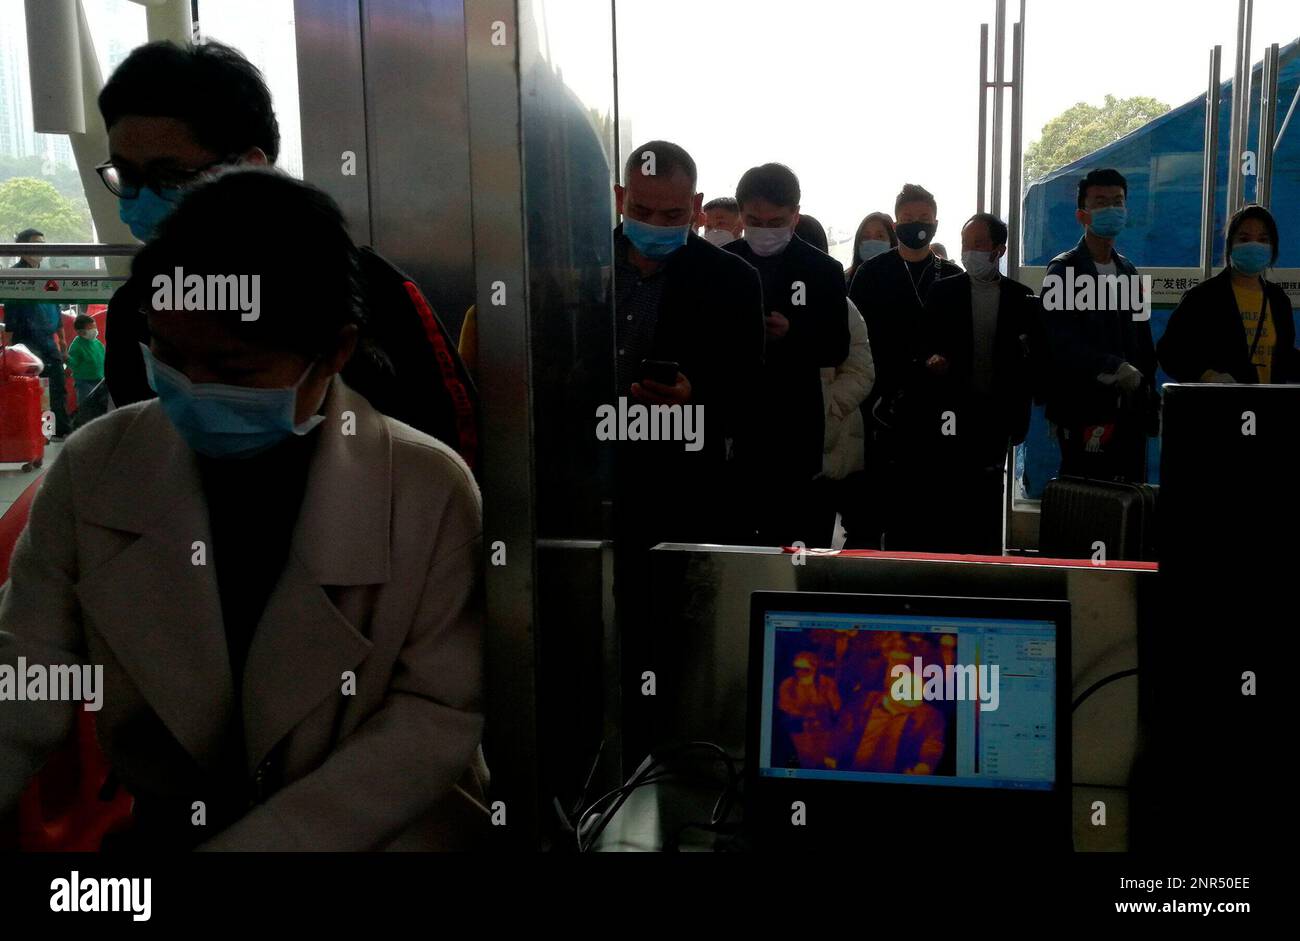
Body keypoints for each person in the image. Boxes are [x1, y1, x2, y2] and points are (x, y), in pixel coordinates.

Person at [0, 170, 489, 851]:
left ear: (334, 352)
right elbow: (27, 672)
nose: (193, 390)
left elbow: (434, 715)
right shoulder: (97, 469)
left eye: (234, 368)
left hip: (374, 838)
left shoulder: (425, 488)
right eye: (168, 357)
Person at [96, 40, 278, 408]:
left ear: (250, 172)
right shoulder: (132, 310)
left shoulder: (364, 299)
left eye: (172, 176)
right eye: (128, 176)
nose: (143, 199)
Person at [611, 140, 765, 547]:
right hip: (586, 478)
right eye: (642, 212)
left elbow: (748, 386)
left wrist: (695, 393)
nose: (657, 224)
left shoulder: (733, 279)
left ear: (695, 205)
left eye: (673, 214)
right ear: (620, 197)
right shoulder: (582, 261)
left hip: (684, 483)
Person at [724, 163, 850, 546]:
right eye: (754, 220)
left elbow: (837, 347)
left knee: (795, 544)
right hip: (734, 424)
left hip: (795, 428)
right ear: (740, 215)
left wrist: (792, 333)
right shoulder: (723, 264)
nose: (764, 231)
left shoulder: (823, 270)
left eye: (776, 221)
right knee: (735, 540)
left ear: (796, 214)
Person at [904, 212, 1042, 554]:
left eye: (979, 244)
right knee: (948, 492)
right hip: (950, 411)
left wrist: (1021, 414)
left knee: (988, 494)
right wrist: (930, 360)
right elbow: (921, 344)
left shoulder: (1022, 299)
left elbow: (1032, 362)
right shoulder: (943, 292)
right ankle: (947, 564)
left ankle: (985, 567)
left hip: (996, 414)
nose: (970, 251)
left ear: (999, 249)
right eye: (966, 244)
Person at [848, 185, 962, 546]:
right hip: (880, 401)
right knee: (872, 504)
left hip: (933, 404)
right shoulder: (872, 273)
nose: (917, 226)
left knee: (922, 507)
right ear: (897, 223)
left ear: (936, 223)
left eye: (924, 220)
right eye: (909, 219)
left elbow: (962, 336)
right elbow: (857, 340)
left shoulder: (951, 274)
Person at [1041, 168, 1157, 482]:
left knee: (1126, 497)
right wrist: (1113, 366)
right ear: (1083, 214)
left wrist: (1149, 397)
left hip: (1128, 411)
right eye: (1101, 202)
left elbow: (1142, 338)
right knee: (1087, 498)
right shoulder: (1064, 271)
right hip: (1083, 409)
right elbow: (1059, 341)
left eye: (1117, 202)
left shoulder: (1128, 270)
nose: (1111, 209)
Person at [1158, 204, 1298, 385]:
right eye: (1244, 238)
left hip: (1268, 406)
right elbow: (1169, 352)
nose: (1254, 245)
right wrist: (1207, 376)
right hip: (1222, 406)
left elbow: (1284, 357)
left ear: (1273, 247)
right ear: (1230, 244)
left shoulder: (1278, 299)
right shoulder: (1204, 297)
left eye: (1263, 239)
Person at [812, 298, 875, 548]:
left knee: (814, 539)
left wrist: (828, 406)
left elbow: (861, 370)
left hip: (830, 442)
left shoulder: (838, 303)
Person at [5, 229, 72, 438]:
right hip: (26, 344)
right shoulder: (15, 276)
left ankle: (58, 431)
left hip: (49, 343)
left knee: (57, 388)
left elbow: (56, 312)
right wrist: (8, 352)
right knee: (33, 391)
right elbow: (10, 320)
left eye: (43, 243)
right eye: (36, 243)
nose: (41, 248)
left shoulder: (47, 276)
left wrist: (62, 342)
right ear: (22, 249)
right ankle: (38, 434)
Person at [65, 314, 106, 414]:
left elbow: (104, 358)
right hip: (84, 382)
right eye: (91, 328)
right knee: (86, 408)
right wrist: (66, 359)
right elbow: (73, 363)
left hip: (100, 381)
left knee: (100, 409)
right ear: (80, 332)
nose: (94, 330)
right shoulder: (77, 344)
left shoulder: (97, 343)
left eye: (94, 326)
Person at [846, 211, 896, 286]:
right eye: (866, 237)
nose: (872, 241)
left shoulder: (904, 279)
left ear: (891, 241)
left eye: (880, 236)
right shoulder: (844, 281)